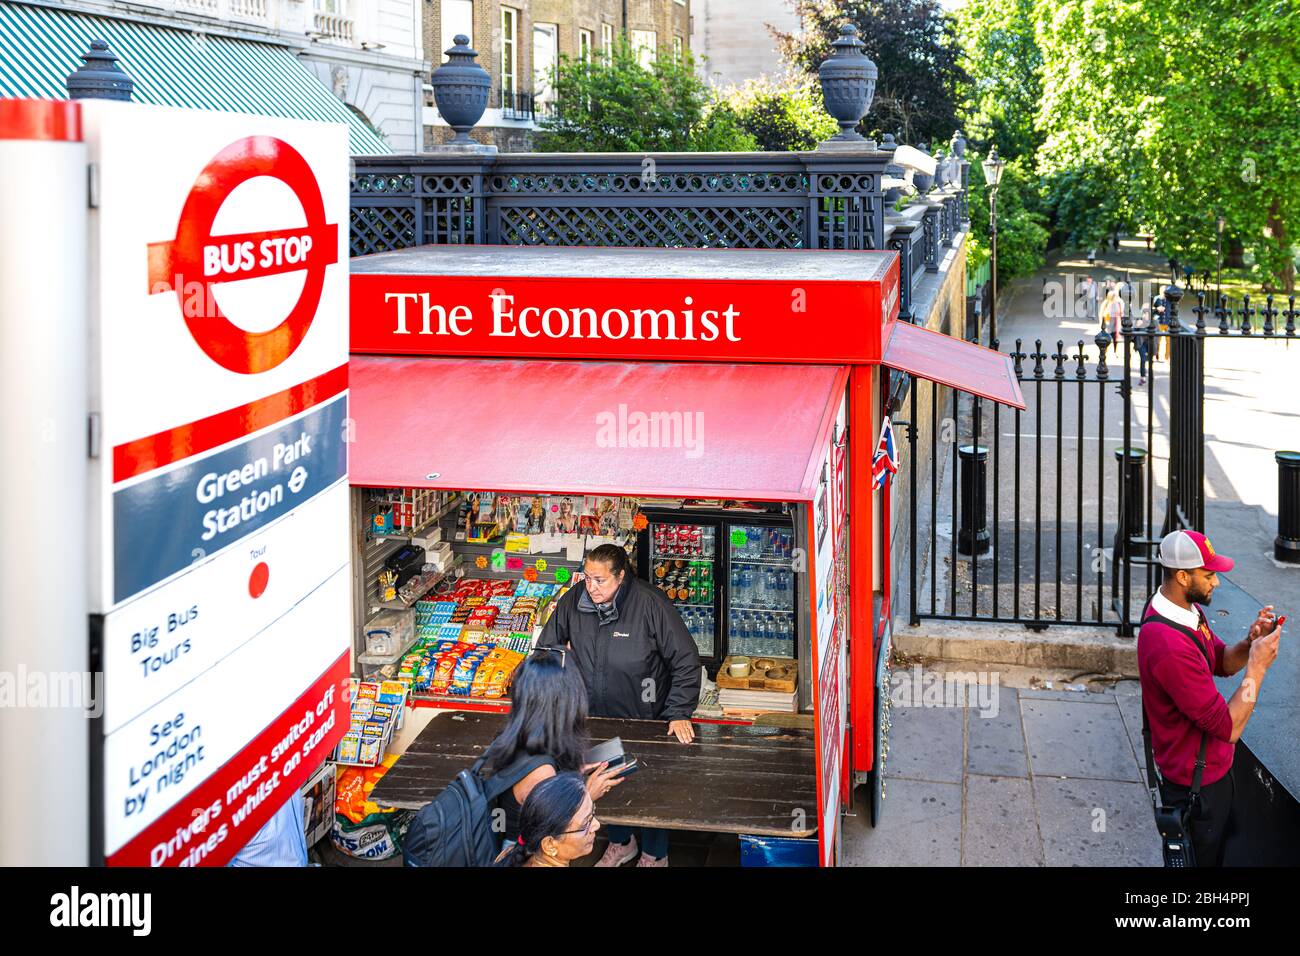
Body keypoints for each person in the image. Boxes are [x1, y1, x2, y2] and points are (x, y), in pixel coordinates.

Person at [538, 542, 701, 867]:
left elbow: (685, 660)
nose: (591, 587)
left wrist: (679, 712)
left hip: (645, 719)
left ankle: (655, 855)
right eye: (587, 578)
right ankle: (621, 843)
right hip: (595, 718)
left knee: (650, 790)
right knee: (605, 783)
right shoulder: (573, 601)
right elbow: (547, 650)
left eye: (600, 580)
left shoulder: (650, 604)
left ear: (621, 576)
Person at [1137, 530, 1283, 866]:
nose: (1216, 582)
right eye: (1208, 575)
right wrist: (1258, 667)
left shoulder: (1183, 609)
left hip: (1211, 774)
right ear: (1182, 576)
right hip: (1197, 788)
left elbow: (1219, 660)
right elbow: (1228, 727)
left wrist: (1249, 643)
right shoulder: (1169, 646)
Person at [480, 651, 625, 849]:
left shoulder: (518, 736)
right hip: (524, 854)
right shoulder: (540, 773)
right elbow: (555, 835)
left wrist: (572, 771)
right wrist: (588, 795)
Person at [494, 773, 600, 867]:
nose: (597, 825)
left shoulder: (512, 856)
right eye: (585, 823)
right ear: (549, 845)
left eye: (593, 812)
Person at [1135, 307, 1153, 384]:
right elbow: (1132, 332)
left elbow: (1157, 333)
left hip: (1150, 343)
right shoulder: (1139, 321)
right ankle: (1143, 377)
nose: (1145, 316)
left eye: (1147, 314)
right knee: (1143, 359)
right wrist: (1136, 325)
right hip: (1141, 343)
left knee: (1150, 360)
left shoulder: (1153, 322)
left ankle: (1150, 375)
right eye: (1144, 314)